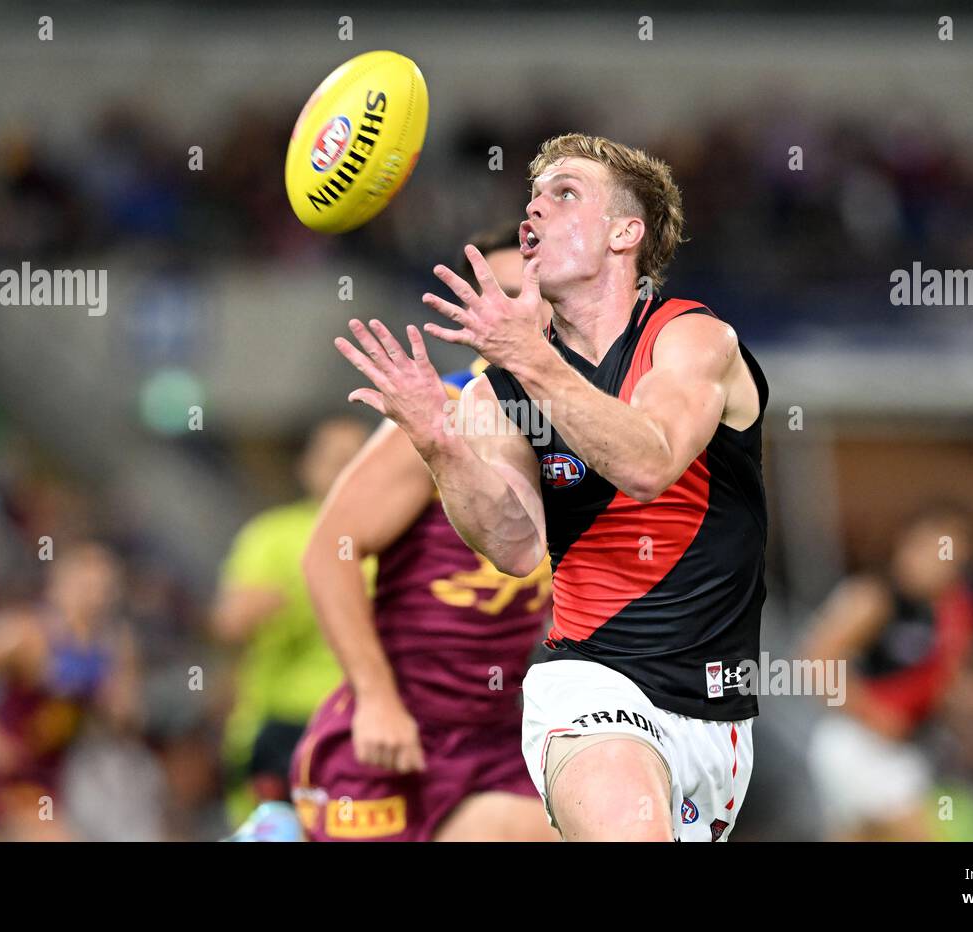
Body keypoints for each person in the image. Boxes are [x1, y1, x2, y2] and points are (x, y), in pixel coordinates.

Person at [333, 134, 769, 841]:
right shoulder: (496, 391)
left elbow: (649, 462)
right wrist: (440, 447)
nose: (536, 208)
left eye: (566, 193)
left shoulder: (692, 340)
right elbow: (513, 543)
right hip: (589, 684)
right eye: (533, 196)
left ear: (627, 233)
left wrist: (532, 359)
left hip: (720, 713)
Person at [290, 224, 560, 841]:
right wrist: (376, 700)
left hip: (496, 743)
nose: (519, 308)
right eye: (499, 294)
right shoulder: (437, 415)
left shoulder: (575, 433)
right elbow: (327, 554)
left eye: (534, 291)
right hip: (393, 736)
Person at [212, 417, 370, 827]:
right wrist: (246, 613)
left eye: (357, 458)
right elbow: (227, 623)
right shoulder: (272, 535)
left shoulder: (391, 536)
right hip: (282, 726)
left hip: (364, 725)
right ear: (307, 466)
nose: (344, 469)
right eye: (333, 458)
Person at [801, 504, 973, 841]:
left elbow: (944, 682)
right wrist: (868, 711)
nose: (943, 565)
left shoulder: (943, 611)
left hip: (900, 751)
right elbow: (815, 659)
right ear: (908, 545)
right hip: (856, 744)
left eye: (954, 559)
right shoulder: (872, 596)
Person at [0, 542, 139, 840]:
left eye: (104, 588)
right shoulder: (27, 633)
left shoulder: (112, 649)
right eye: (86, 586)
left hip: (48, 781)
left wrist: (115, 706)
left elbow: (124, 719)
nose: (95, 597)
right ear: (59, 584)